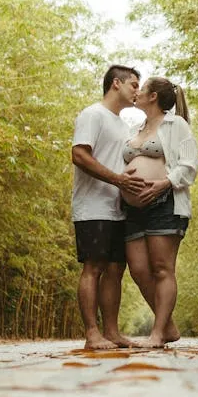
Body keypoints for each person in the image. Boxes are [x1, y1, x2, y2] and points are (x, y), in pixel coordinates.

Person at [71, 65, 147, 350]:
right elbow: (79, 154)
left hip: (118, 207)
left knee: (116, 269)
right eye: (134, 85)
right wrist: (117, 180)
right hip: (92, 206)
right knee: (94, 267)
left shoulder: (122, 125)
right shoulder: (93, 115)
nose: (137, 91)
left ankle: (112, 332)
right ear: (116, 84)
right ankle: (92, 333)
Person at [121, 77, 198, 348]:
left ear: (153, 97)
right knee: (139, 270)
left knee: (163, 269)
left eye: (141, 90)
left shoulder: (176, 124)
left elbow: (190, 166)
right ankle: (169, 326)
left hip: (165, 203)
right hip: (132, 208)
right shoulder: (134, 127)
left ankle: (157, 334)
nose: (137, 93)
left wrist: (163, 183)